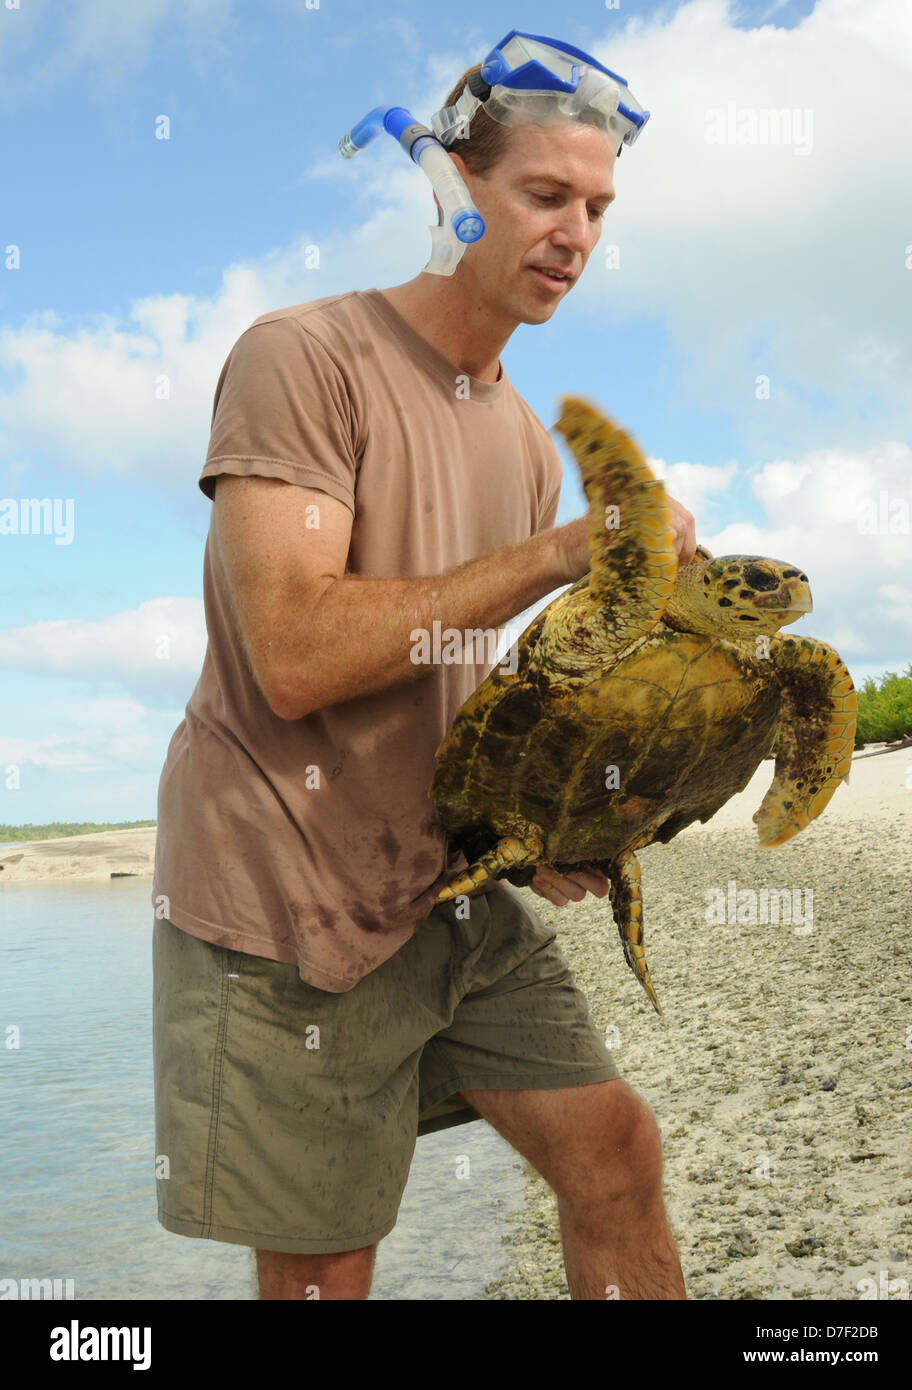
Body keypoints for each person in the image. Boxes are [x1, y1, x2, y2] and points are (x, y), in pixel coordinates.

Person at [151, 31, 695, 1301]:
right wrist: (565, 550)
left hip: (440, 878)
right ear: (454, 188)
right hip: (281, 889)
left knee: (613, 1152)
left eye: (598, 209)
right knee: (329, 1260)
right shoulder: (304, 358)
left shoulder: (521, 441)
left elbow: (459, 676)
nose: (575, 234)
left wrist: (548, 824)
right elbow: (293, 653)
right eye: (544, 196)